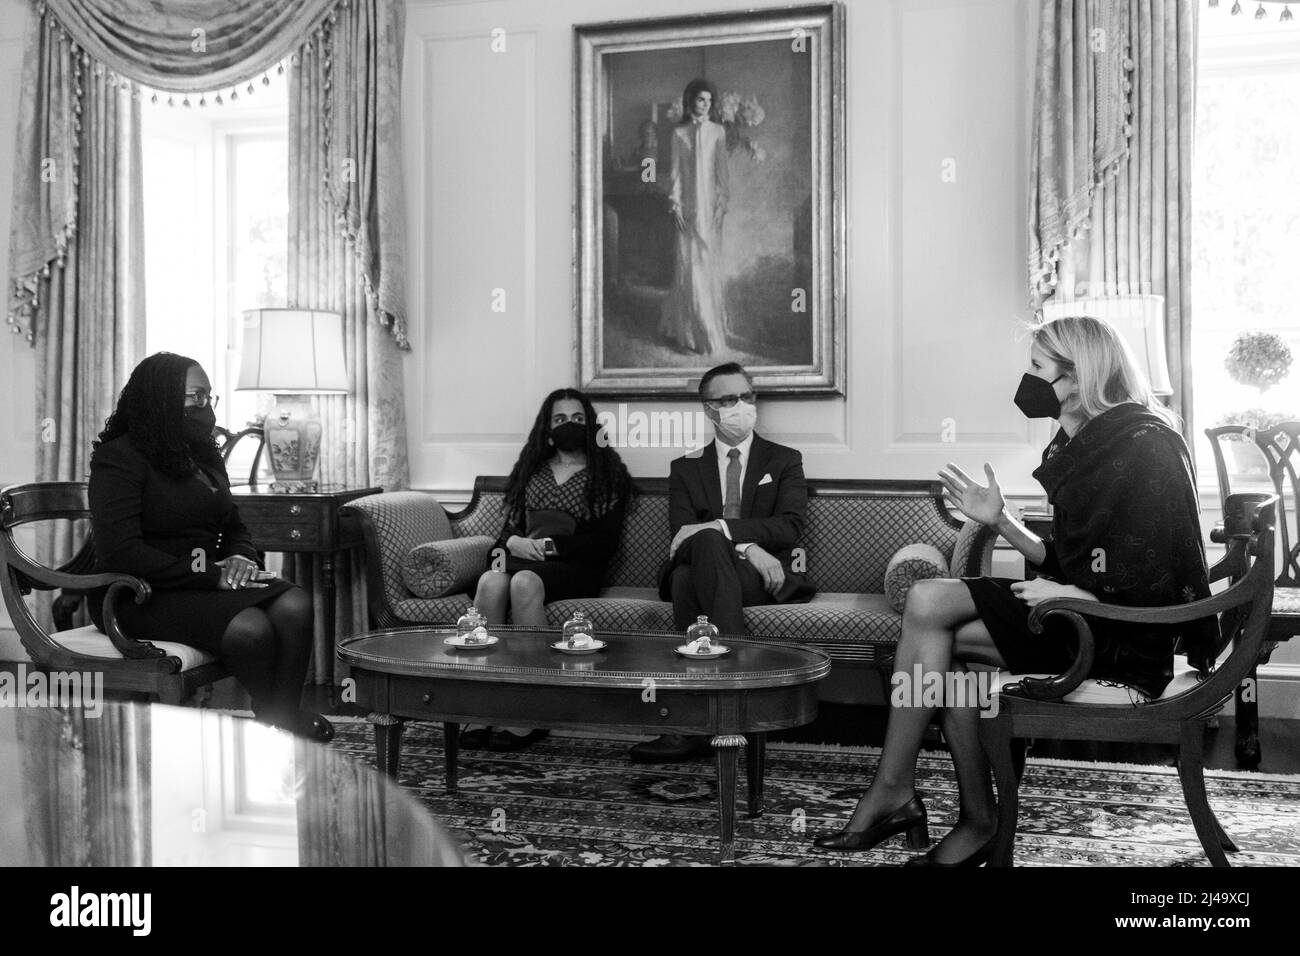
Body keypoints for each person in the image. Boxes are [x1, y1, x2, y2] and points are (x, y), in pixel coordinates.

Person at [813, 315, 1217, 864]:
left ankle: (909, 795)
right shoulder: (1086, 440)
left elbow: (1161, 574)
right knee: (941, 643)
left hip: (1120, 634)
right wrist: (1000, 520)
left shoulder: (1147, 443)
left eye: (1037, 369)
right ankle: (953, 811)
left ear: (1077, 378)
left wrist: (1076, 597)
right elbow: (1068, 558)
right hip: (1074, 611)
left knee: (932, 611)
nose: (1025, 382)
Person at [87, 352, 332, 741]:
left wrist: (240, 556)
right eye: (194, 397)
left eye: (208, 397)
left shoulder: (202, 454)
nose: (204, 408)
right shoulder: (118, 458)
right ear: (160, 397)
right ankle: (281, 720)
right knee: (249, 629)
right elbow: (120, 552)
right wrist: (209, 575)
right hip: (136, 592)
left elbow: (233, 523)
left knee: (295, 604)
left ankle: (280, 719)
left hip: (199, 582)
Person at [630, 362, 816, 762]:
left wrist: (718, 530)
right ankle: (734, 708)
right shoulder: (685, 468)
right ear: (708, 409)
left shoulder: (784, 460)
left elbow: (789, 527)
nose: (741, 406)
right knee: (694, 562)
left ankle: (690, 721)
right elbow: (682, 537)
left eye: (747, 396)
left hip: (762, 578)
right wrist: (746, 545)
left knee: (691, 574)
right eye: (729, 399)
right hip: (721, 566)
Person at [467, 388, 633, 751]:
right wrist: (512, 543)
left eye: (577, 419)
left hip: (577, 568)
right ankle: (482, 702)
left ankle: (535, 708)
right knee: (492, 580)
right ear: (547, 426)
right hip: (523, 558)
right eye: (560, 419)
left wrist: (548, 546)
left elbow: (604, 545)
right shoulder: (532, 471)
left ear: (589, 424)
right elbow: (505, 534)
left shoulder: (607, 474)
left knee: (523, 582)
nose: (569, 425)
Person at [657, 78, 731, 355]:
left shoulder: (718, 132)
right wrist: (674, 205)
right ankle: (691, 335)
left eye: (709, 100)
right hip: (687, 209)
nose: (705, 105)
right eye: (701, 99)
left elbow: (722, 174)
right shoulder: (679, 134)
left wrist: (721, 206)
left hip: (710, 210)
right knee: (688, 270)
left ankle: (710, 333)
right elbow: (675, 174)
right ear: (691, 102)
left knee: (707, 269)